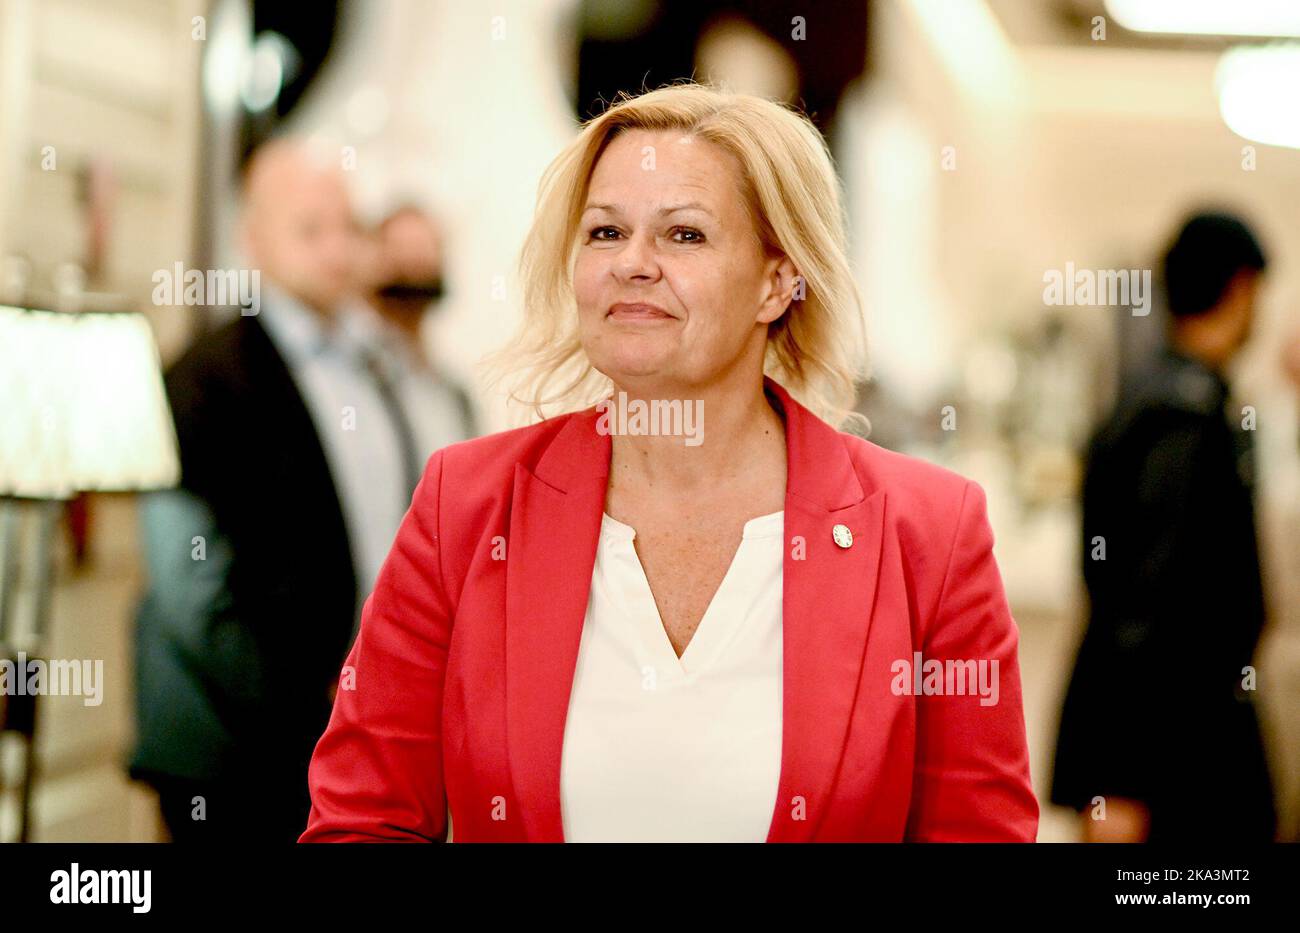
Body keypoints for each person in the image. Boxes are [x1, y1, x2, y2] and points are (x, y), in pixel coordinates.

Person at [300, 83, 1038, 843]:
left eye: (683, 235)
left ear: (778, 281)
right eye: (605, 233)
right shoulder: (466, 506)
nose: (633, 264)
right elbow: (364, 819)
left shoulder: (931, 536)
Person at [131, 138, 442, 842]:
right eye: (310, 229)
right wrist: (312, 700)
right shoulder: (202, 379)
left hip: (359, 732)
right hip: (235, 747)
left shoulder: (378, 366)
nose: (336, 248)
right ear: (253, 238)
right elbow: (193, 596)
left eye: (349, 228)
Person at [1050, 211, 1277, 842]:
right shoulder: (1182, 418)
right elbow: (1141, 605)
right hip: (1171, 761)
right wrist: (1121, 777)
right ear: (1240, 289)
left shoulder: (1151, 399)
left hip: (1177, 747)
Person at [359, 204, 478, 450]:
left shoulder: (451, 391)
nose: (414, 262)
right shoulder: (355, 372)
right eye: (401, 248)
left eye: (425, 249)